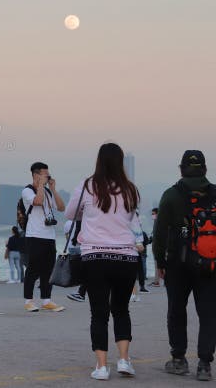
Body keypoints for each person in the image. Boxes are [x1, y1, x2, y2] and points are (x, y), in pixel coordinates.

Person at [153, 150, 216, 381]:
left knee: (177, 311)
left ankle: (179, 360)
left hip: (177, 266)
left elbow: (159, 233)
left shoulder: (171, 195)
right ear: (205, 169)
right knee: (209, 314)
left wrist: (159, 261)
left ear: (181, 169)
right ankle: (204, 365)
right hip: (211, 265)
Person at [65, 143, 144, 381]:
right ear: (121, 162)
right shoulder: (130, 189)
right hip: (126, 257)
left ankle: (101, 367)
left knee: (99, 313)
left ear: (98, 160)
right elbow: (130, 217)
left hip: (95, 257)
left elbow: (69, 214)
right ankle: (125, 360)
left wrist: (89, 214)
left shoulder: (87, 186)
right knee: (121, 310)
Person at [21, 162, 66, 312]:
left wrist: (52, 188)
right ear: (36, 175)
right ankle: (28, 300)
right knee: (33, 269)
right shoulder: (27, 191)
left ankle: (46, 299)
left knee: (48, 270)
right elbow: (38, 202)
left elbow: (61, 207)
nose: (47, 176)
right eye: (44, 174)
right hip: (34, 235)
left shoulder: (47, 191)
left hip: (49, 236)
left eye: (48, 174)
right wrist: (40, 185)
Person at [64, 219, 88, 303]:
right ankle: (81, 290)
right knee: (86, 269)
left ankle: (77, 284)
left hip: (72, 247)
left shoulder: (68, 223)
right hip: (82, 247)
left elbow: (67, 236)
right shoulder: (86, 221)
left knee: (76, 266)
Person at [137, 221, 152, 294]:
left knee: (141, 269)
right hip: (141, 253)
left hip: (137, 253)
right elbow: (147, 242)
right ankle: (142, 285)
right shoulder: (142, 233)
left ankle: (141, 285)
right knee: (142, 269)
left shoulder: (139, 233)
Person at [150, 208, 162, 287]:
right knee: (156, 264)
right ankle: (156, 281)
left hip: (159, 247)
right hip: (155, 246)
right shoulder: (156, 222)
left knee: (158, 264)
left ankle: (157, 281)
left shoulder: (159, 222)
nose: (152, 215)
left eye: (153, 213)